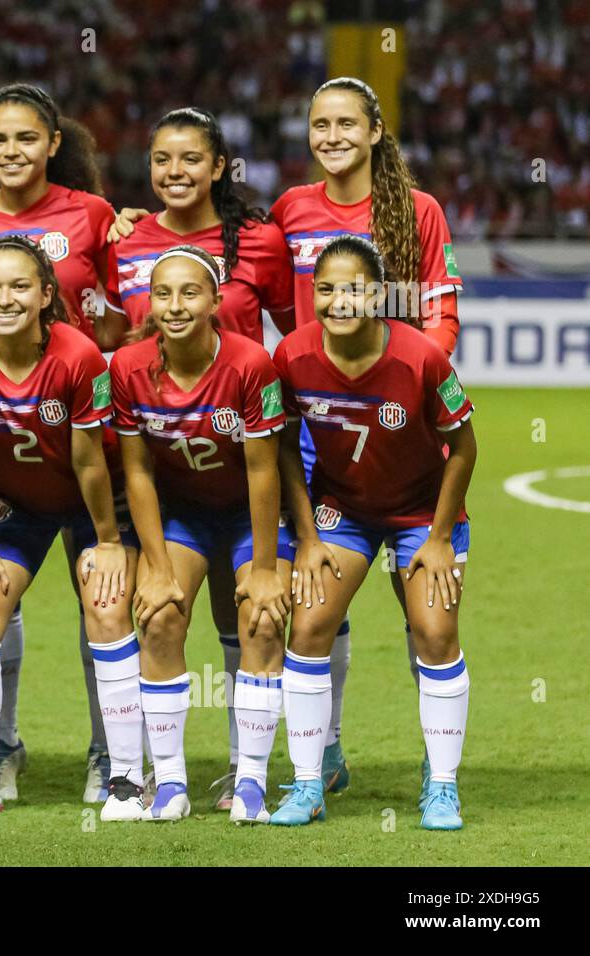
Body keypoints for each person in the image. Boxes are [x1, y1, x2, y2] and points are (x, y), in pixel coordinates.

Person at [270, 76, 464, 797]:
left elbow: (440, 317)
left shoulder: (418, 212)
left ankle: (439, 763)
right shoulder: (290, 210)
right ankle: (325, 753)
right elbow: (242, 281)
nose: (332, 136)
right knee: (317, 606)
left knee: (428, 617)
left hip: (399, 425)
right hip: (317, 436)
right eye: (319, 124)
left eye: (347, 123)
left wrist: (400, 375)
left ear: (376, 130)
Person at [107, 107, 295, 809]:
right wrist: (151, 562)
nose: (174, 171)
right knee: (154, 611)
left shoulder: (262, 243)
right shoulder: (120, 239)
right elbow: (103, 324)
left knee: (259, 612)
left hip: (252, 459)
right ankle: (164, 778)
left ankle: (259, 772)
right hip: (169, 462)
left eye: (191, 158)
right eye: (161, 159)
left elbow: (299, 336)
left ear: (219, 166)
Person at [0, 84, 127, 802]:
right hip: (4, 440)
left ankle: (109, 758)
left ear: (54, 144)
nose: (11, 153)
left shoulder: (95, 214)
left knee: (104, 602)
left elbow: (128, 308)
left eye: (26, 139)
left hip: (83, 429)